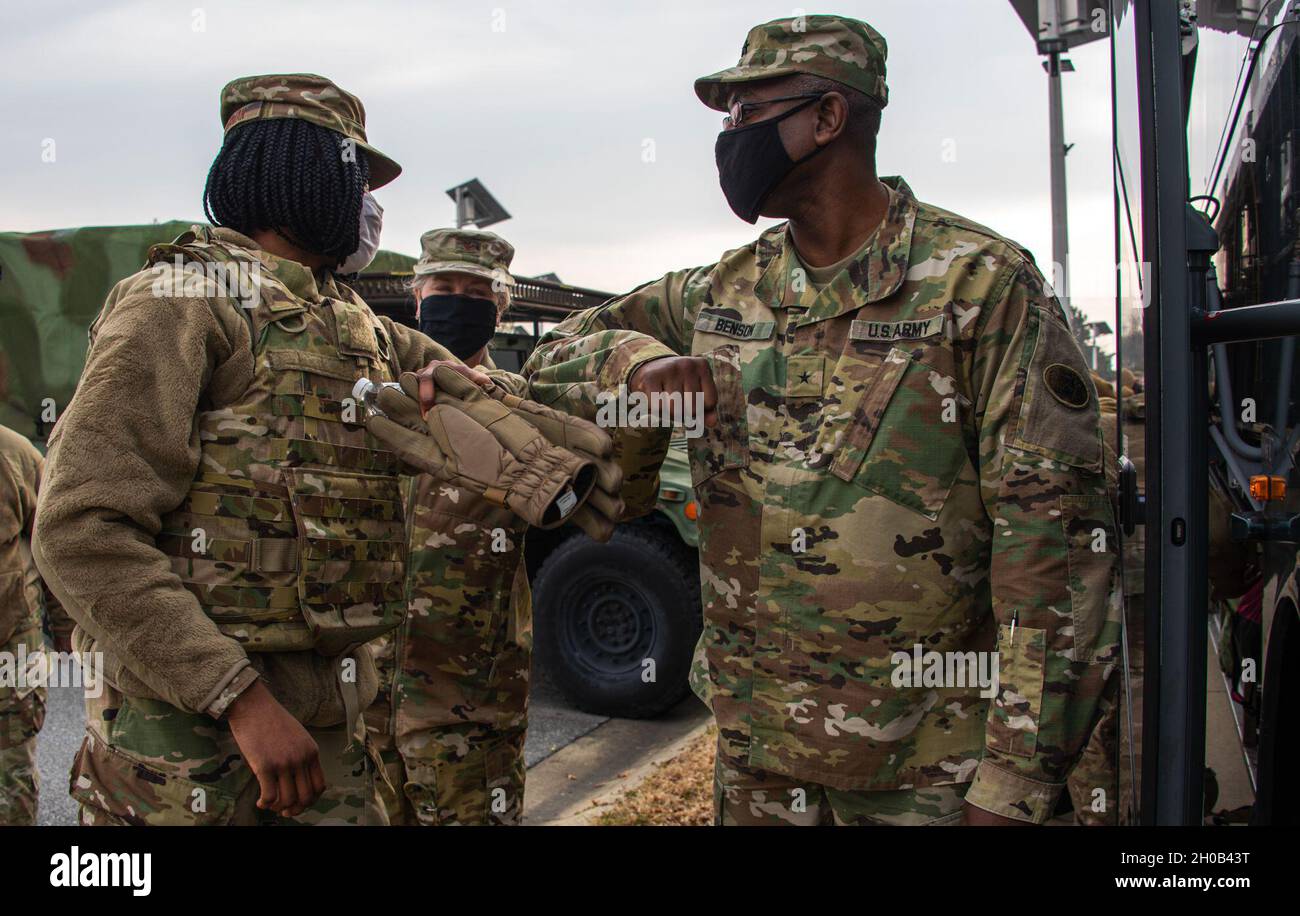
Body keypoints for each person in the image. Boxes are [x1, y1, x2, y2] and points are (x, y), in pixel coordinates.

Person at [524, 14, 1122, 825]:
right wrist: (635, 367)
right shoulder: (723, 290)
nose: (730, 140)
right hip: (758, 761)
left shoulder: (979, 287)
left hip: (928, 771)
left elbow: (1053, 551)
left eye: (747, 114)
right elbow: (559, 349)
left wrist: (1015, 784)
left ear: (828, 119)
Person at [31, 73, 529, 825]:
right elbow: (80, 530)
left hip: (325, 738)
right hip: (194, 752)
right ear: (302, 169)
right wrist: (239, 698)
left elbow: (497, 395)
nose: (369, 207)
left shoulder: (350, 321)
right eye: (357, 176)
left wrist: (631, 369)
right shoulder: (181, 303)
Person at [365, 228, 532, 825]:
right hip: (363, 708)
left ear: (501, 306)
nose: (457, 301)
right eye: (444, 287)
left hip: (468, 715)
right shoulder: (374, 400)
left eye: (477, 291)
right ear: (417, 297)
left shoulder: (520, 409)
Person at [0, 421, 72, 825]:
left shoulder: (14, 454)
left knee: (9, 777)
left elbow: (50, 544)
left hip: (9, 646)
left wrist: (63, 626)